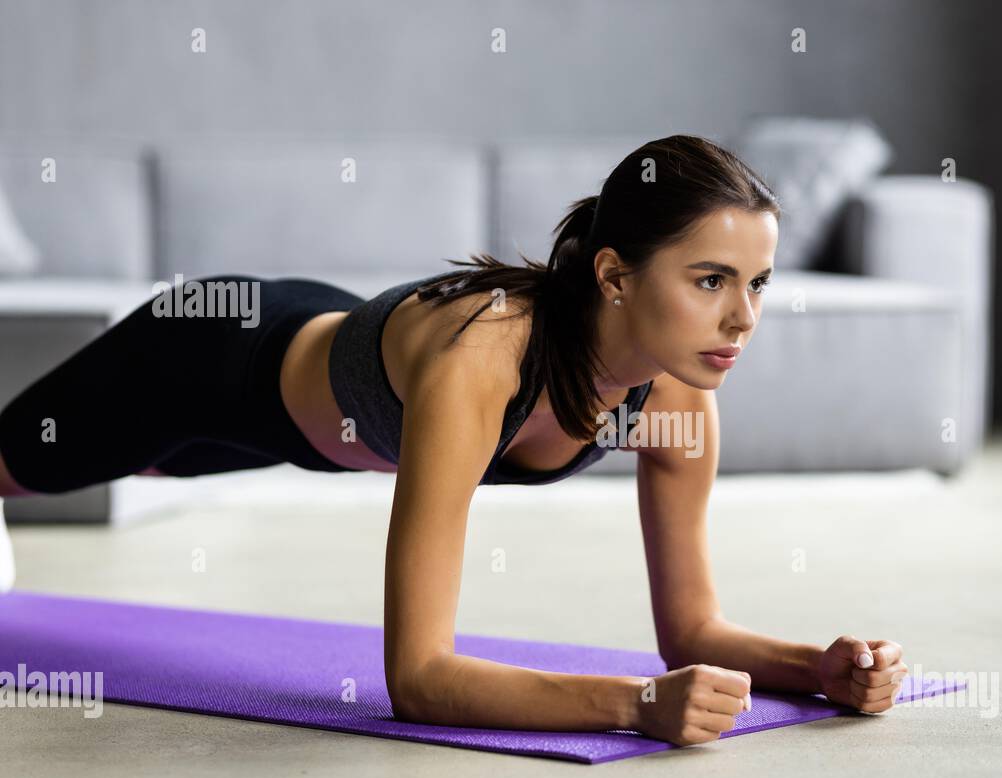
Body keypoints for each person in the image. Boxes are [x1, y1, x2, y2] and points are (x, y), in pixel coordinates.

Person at [0, 134, 907, 745]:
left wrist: (816, 669)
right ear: (615, 276)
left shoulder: (679, 398)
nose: (744, 317)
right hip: (207, 360)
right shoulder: (488, 357)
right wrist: (631, 706)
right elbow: (419, 675)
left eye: (758, 283)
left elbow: (692, 632)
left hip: (305, 418)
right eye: (711, 279)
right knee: (17, 471)